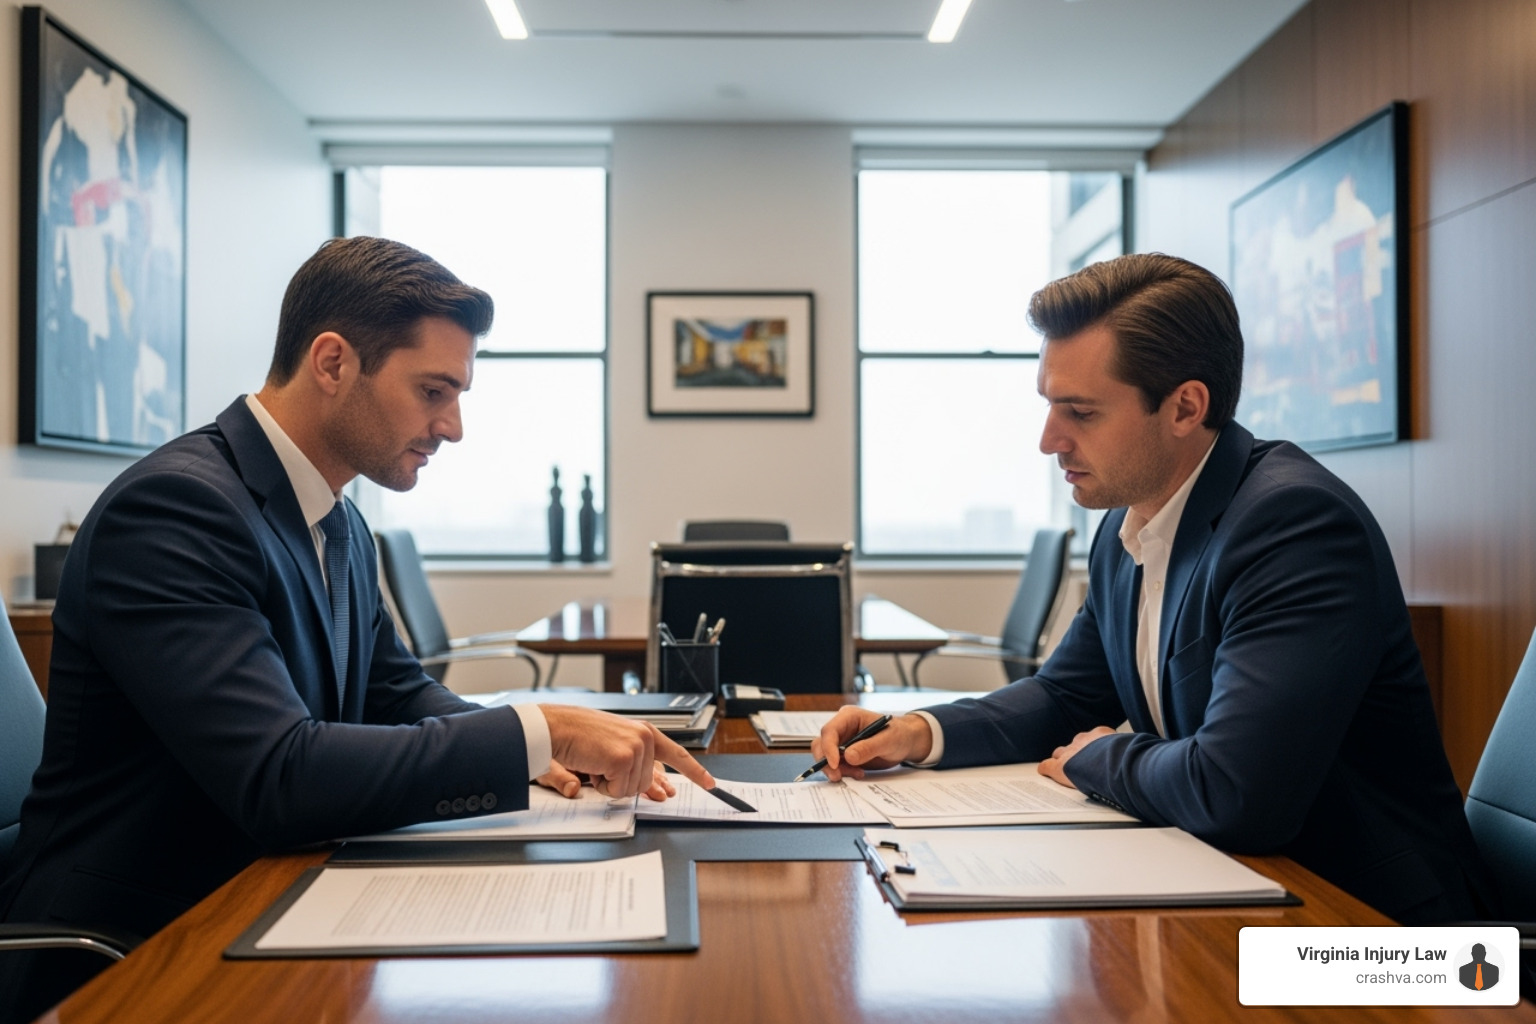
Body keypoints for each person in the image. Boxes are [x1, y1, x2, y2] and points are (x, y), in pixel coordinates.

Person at [0, 236, 716, 1020]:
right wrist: (533, 735)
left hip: (272, 904)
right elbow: (278, 776)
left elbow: (395, 690)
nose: (454, 427)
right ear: (334, 363)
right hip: (138, 952)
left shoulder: (337, 521)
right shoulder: (177, 510)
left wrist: (547, 757)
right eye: (434, 391)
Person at [815, 253, 1489, 925]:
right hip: (1237, 886)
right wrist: (914, 732)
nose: (1050, 440)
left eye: (1080, 412)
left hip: (1369, 926)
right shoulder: (1127, 523)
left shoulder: (1295, 526)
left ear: (1185, 407)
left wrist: (1098, 757)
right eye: (1050, 406)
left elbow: (1236, 793)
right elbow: (1066, 694)